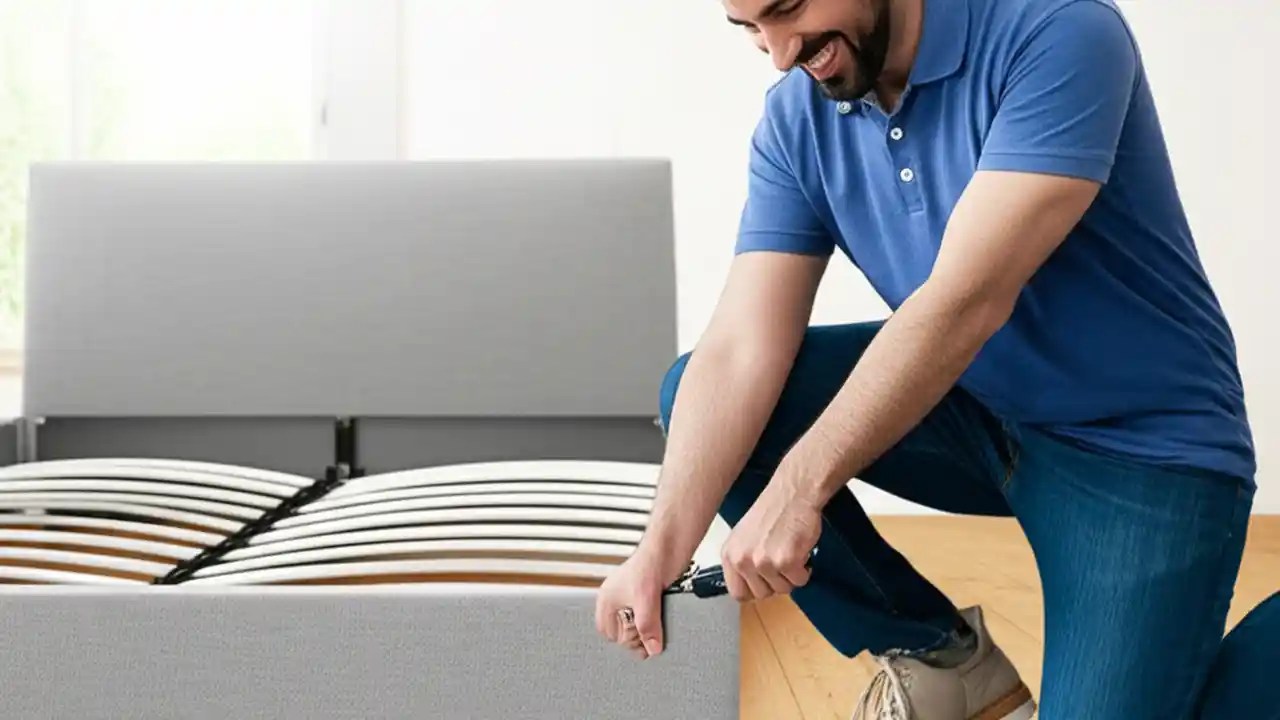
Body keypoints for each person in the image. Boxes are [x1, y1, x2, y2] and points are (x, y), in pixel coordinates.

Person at [594, 0, 1276, 718]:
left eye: (787, 9)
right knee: (700, 397)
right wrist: (660, 551)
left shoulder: (1060, 34)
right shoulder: (798, 120)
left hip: (1141, 452)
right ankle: (943, 658)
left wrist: (800, 489)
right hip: (977, 411)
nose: (779, 53)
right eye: (748, 30)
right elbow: (739, 351)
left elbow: (965, 302)